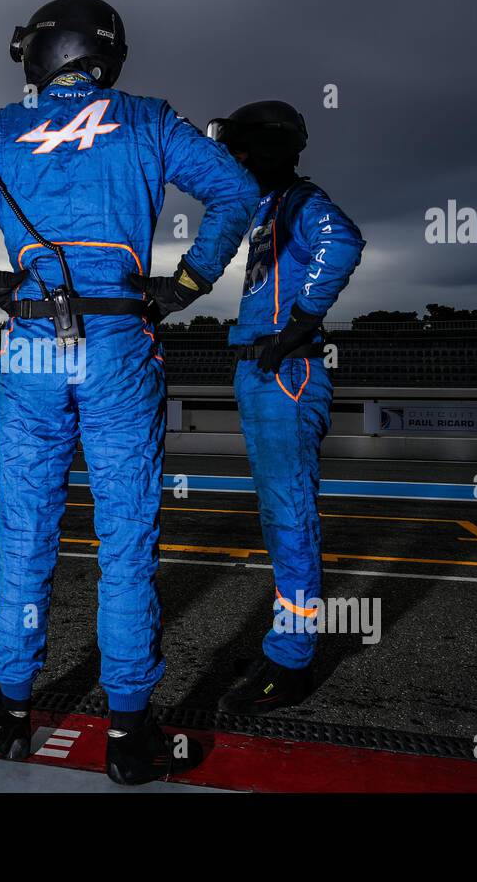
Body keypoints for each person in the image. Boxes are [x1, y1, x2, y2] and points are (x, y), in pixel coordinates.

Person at [0, 0, 255, 784]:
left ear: (39, 53)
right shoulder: (150, 118)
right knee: (126, 537)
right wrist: (188, 283)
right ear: (103, 54)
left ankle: (14, 712)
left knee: (24, 530)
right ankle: (129, 735)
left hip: (29, 343)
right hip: (120, 340)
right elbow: (236, 193)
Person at [206, 101, 365, 714]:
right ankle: (285, 644)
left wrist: (299, 323)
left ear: (264, 149)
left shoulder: (300, 201)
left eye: (240, 150)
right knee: (279, 519)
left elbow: (343, 242)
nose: (234, 161)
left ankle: (293, 663)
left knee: (290, 516)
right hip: (266, 370)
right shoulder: (270, 207)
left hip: (286, 374)